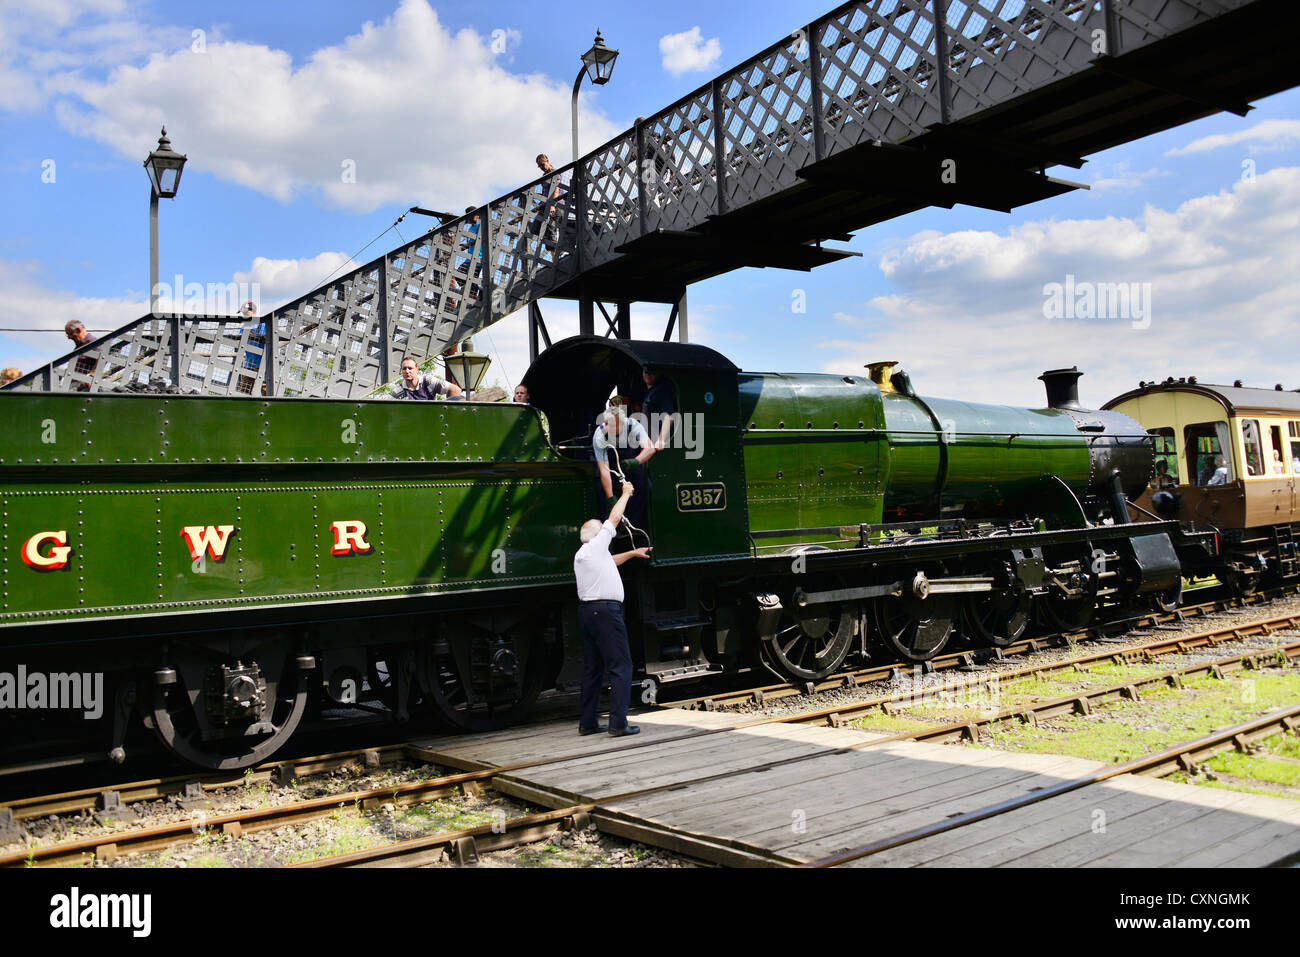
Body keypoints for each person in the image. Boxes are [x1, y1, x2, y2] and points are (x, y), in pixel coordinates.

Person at [574, 481, 652, 736]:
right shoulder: (597, 546)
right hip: (607, 613)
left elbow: (610, 561)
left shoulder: (584, 554)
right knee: (621, 666)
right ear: (597, 536)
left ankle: (587, 723)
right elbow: (615, 517)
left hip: (588, 614)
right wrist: (627, 493)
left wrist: (633, 552)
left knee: (593, 669)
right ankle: (619, 723)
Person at [594, 402, 653, 527]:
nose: (606, 427)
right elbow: (604, 469)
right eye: (605, 423)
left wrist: (635, 461)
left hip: (633, 471)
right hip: (611, 474)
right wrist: (610, 498)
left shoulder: (634, 425)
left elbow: (649, 448)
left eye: (611, 425)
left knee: (645, 491)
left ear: (621, 424)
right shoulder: (600, 435)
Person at [390, 356, 463, 400]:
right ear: (401, 371)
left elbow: (455, 390)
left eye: (410, 368)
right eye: (404, 368)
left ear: (417, 369)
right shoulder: (397, 392)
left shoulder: (428, 381)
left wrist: (449, 414)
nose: (407, 371)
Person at [641, 367, 677, 450]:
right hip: (647, 440)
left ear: (658, 373)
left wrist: (661, 440)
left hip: (655, 444)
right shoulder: (650, 392)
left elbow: (669, 416)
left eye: (651, 372)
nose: (648, 374)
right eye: (645, 372)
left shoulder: (661, 391)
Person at [65, 320, 99, 387]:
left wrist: (92, 374)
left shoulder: (92, 341)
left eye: (70, 334)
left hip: (83, 385)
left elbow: (102, 358)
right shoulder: (80, 345)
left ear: (78, 330)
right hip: (74, 383)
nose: (69, 337)